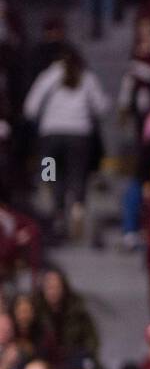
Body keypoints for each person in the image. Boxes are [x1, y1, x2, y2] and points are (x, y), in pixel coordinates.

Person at [22, 44, 109, 241]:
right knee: (77, 174)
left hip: (50, 135)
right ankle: (77, 205)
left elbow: (30, 108)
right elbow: (102, 107)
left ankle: (55, 205)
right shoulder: (86, 77)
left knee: (51, 170)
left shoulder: (47, 76)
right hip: (79, 135)